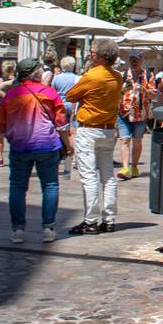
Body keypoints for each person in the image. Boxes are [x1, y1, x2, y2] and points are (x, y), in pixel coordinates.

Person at [0, 57, 72, 243]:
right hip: (47, 145)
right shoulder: (49, 93)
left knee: (17, 187)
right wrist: (69, 146)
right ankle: (48, 229)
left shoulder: (11, 95)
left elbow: (1, 126)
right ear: (35, 73)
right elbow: (61, 123)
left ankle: (17, 230)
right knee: (50, 186)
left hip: (20, 146)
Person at [64, 40, 124, 234]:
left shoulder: (91, 76)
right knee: (108, 175)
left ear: (99, 56)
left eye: (92, 53)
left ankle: (90, 221)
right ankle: (109, 219)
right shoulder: (117, 77)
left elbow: (71, 95)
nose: (90, 55)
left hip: (88, 129)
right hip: (108, 129)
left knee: (89, 176)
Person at [116, 54, 153, 180]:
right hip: (124, 113)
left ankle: (135, 166)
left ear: (141, 61)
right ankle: (125, 167)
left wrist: (144, 90)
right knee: (124, 140)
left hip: (140, 115)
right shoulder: (122, 75)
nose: (133, 62)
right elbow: (116, 94)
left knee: (137, 142)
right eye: (131, 59)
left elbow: (154, 96)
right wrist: (123, 89)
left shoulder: (148, 76)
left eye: (136, 59)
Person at [51, 56, 81, 176]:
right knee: (72, 133)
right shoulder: (76, 78)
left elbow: (52, 93)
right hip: (73, 106)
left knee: (60, 131)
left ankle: (63, 154)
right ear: (73, 65)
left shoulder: (56, 78)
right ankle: (73, 158)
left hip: (59, 106)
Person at [0, 65, 17, 165]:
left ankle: (0, 159)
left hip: (0, 109)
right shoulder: (16, 81)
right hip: (14, 109)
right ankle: (14, 157)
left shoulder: (0, 81)